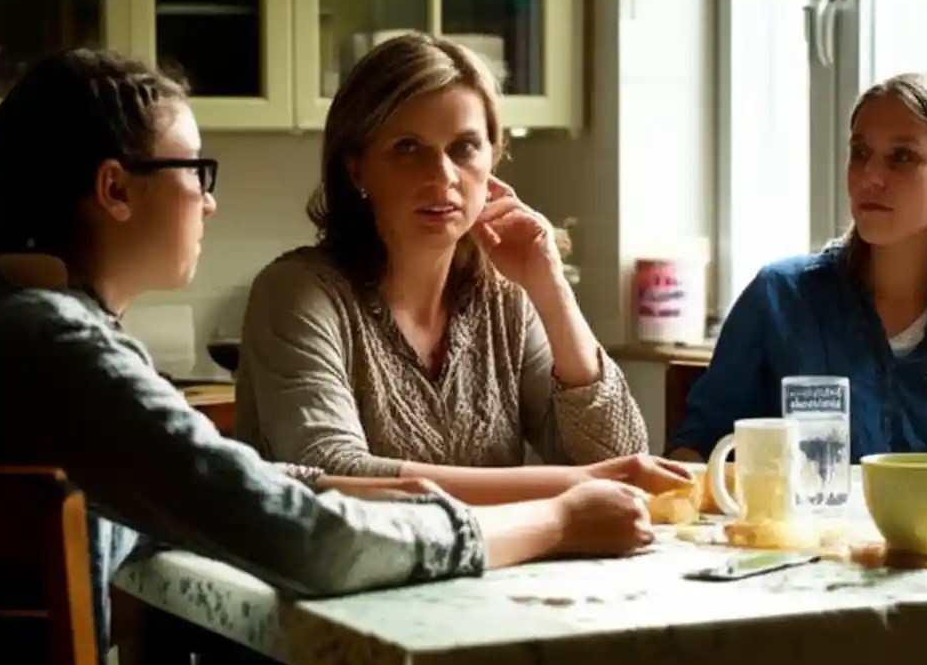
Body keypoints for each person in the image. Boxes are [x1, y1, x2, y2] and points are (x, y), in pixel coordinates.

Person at [0, 48, 658, 665]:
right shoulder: (56, 347)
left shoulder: (2, 319)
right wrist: (553, 520)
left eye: (465, 148)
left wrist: (329, 487)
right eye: (196, 171)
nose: (209, 204)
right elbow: (312, 545)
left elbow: (252, 487)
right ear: (115, 189)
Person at [234, 32, 691, 506]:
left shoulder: (505, 299)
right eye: (408, 148)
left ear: (492, 158)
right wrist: (576, 484)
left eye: (464, 147)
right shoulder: (297, 294)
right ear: (357, 170)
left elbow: (622, 457)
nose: (443, 176)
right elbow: (333, 469)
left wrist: (550, 287)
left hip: (482, 572)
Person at [667, 69, 927, 490]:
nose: (869, 177)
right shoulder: (780, 298)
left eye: (902, 157)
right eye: (860, 152)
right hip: (804, 549)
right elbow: (690, 457)